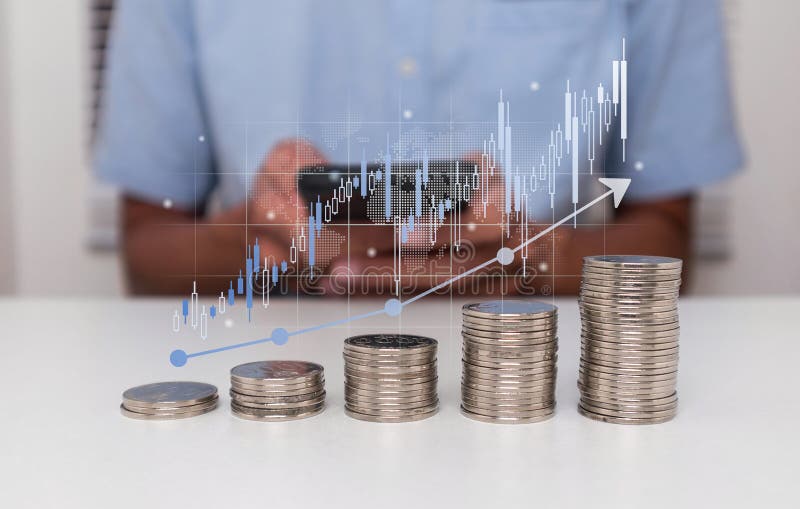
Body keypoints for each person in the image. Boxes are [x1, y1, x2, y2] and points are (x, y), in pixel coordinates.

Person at [93, 0, 742, 297]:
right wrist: (252, 243)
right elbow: (148, 247)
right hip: (271, 376)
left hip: (539, 384)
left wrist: (553, 255)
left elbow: (668, 233)